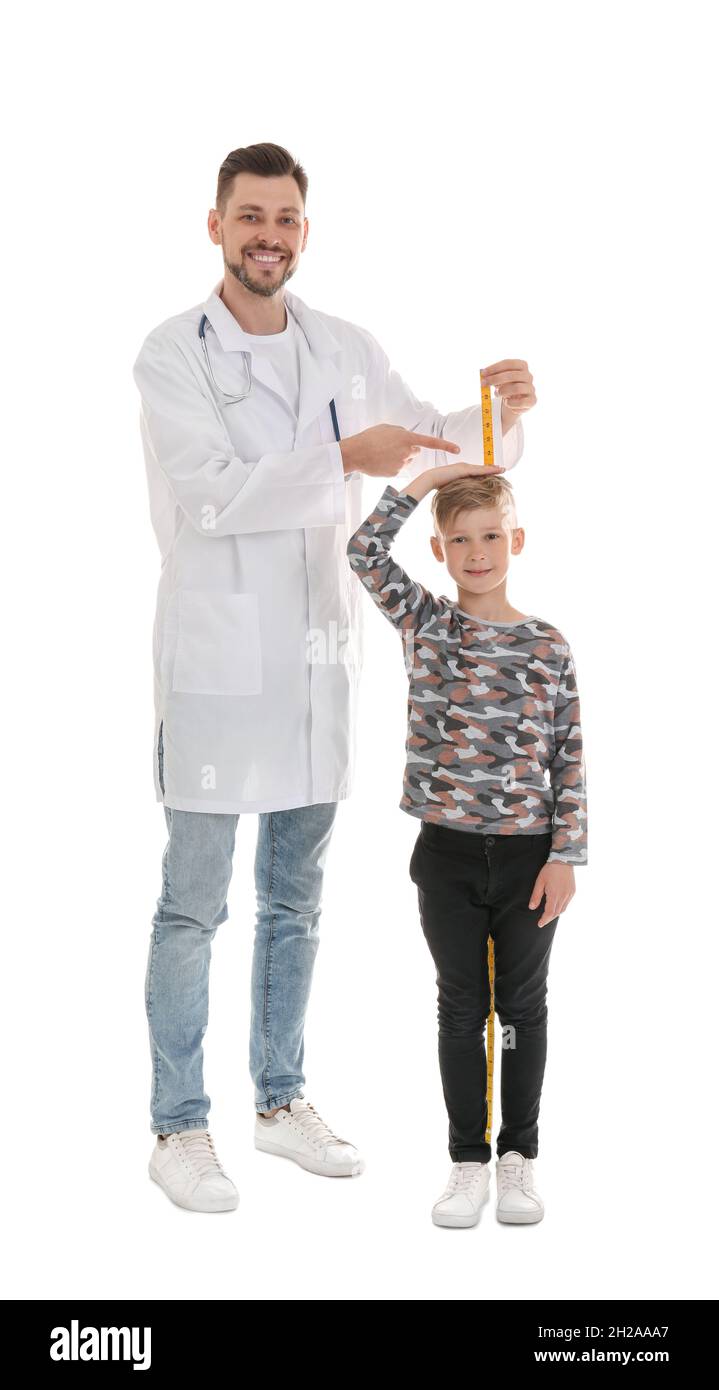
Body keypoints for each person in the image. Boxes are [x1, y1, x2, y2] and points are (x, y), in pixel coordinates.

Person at [132, 141, 535, 1213]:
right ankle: (178, 1125)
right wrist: (339, 463)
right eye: (249, 216)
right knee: (192, 906)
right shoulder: (172, 353)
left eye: (286, 219)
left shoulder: (346, 348)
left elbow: (438, 443)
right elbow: (210, 493)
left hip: (314, 659)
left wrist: (503, 409)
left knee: (296, 899)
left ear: (304, 233)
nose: (268, 235)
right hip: (217, 663)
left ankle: (278, 1101)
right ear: (214, 226)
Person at [346, 460, 586, 1227]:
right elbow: (363, 553)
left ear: (515, 539)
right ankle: (465, 1162)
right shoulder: (427, 622)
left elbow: (568, 753)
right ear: (439, 552)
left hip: (526, 856)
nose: (476, 551)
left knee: (520, 1007)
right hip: (445, 852)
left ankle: (518, 1158)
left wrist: (565, 854)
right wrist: (426, 481)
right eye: (459, 540)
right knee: (459, 1008)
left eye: (489, 535)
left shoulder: (547, 645)